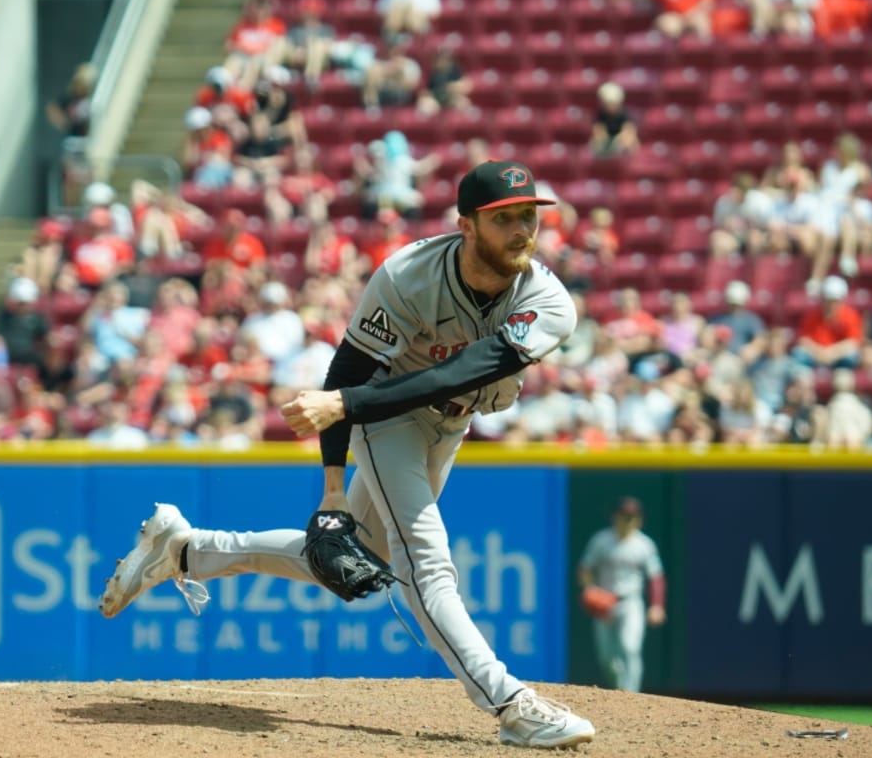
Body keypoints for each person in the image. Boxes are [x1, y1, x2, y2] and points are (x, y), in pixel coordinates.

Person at [98, 161, 595, 749]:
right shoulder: (407, 275)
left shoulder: (548, 298)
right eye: (504, 217)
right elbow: (348, 372)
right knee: (426, 567)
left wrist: (345, 406)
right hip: (388, 420)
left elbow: (465, 370)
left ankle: (184, 550)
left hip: (445, 423)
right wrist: (333, 484)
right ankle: (511, 704)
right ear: (466, 225)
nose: (522, 229)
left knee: (354, 556)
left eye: (529, 216)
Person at [578, 497, 666, 693]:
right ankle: (621, 690)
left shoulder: (644, 545)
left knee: (630, 648)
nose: (627, 520)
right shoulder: (601, 541)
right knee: (607, 658)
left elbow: (656, 578)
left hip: (630, 603)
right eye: (623, 516)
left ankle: (631, 695)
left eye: (631, 517)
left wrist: (657, 605)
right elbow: (585, 569)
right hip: (605, 603)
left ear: (639, 520)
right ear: (614, 517)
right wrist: (590, 589)